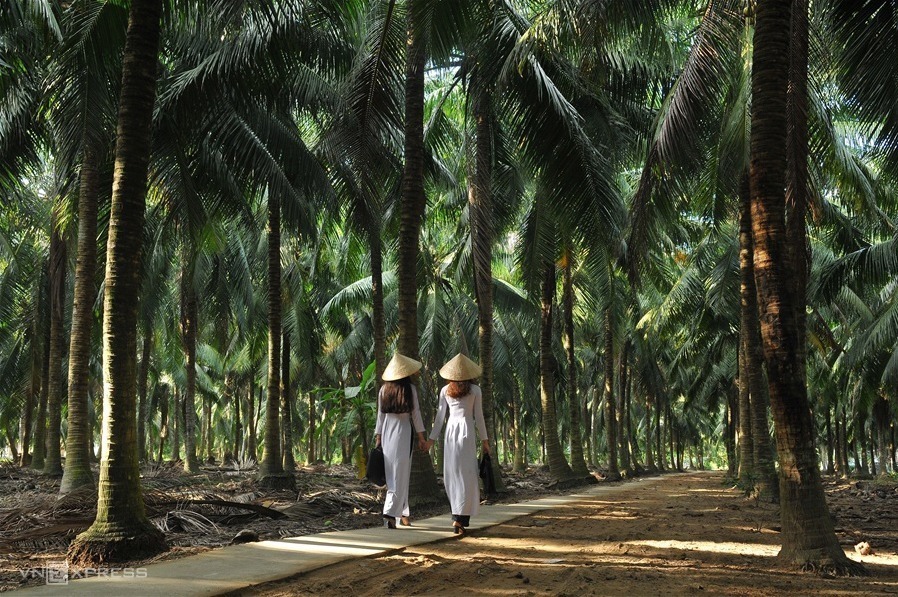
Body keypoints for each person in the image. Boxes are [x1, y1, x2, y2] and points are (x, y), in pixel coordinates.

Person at [424, 353, 489, 535]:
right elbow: (479, 417)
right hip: (467, 432)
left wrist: (431, 440)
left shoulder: (445, 390)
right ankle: (460, 519)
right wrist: (485, 441)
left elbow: (439, 419)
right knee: (467, 474)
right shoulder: (475, 390)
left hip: (451, 432)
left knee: (452, 473)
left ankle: (456, 516)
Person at [375, 352, 427, 529]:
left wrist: (378, 437)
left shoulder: (384, 389)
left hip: (387, 432)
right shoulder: (409, 389)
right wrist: (421, 437)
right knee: (400, 473)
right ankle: (389, 514)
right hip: (404, 432)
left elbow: (380, 416)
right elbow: (416, 414)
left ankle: (404, 513)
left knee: (394, 474)